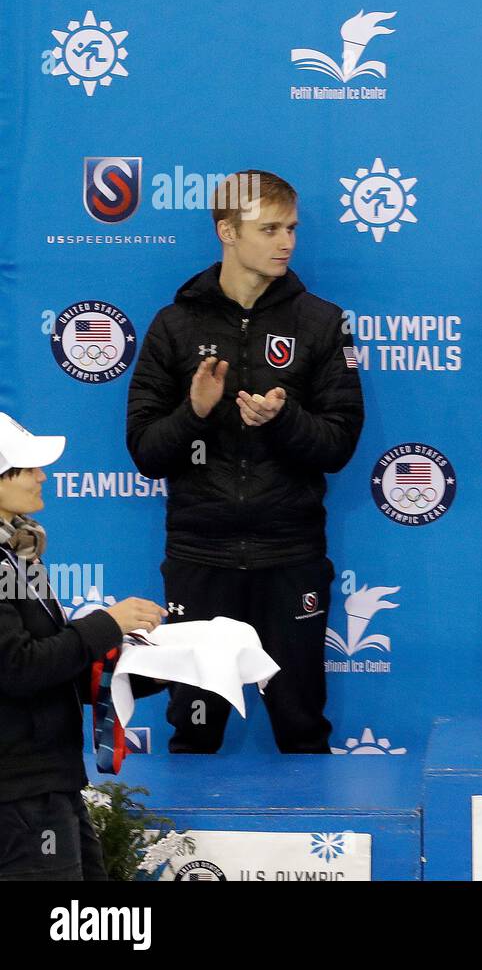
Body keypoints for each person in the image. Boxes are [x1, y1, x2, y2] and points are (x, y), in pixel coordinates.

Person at [126, 170, 364, 753]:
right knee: (194, 732)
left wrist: (281, 420)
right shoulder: (174, 325)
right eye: (270, 229)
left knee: (303, 726)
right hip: (199, 558)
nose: (287, 242)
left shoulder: (321, 322)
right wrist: (195, 412)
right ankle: (186, 847)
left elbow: (338, 445)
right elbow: (146, 453)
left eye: (292, 229)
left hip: (291, 557)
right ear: (227, 231)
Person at [0, 412, 166, 881]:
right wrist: (105, 625)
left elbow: (52, 660)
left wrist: (148, 669)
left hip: (48, 783)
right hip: (20, 794)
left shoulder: (18, 553)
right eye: (28, 467)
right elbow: (17, 667)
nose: (42, 477)